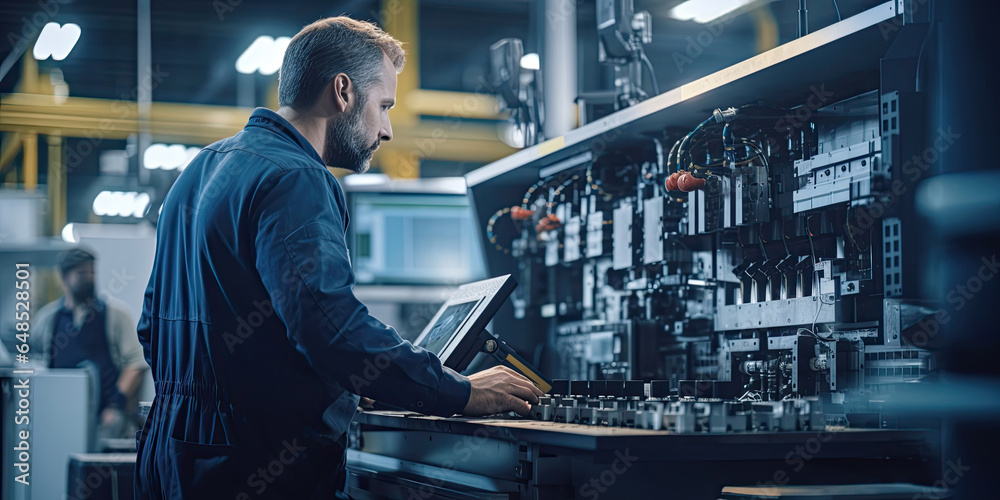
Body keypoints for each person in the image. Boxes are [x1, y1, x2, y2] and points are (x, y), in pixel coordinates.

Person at [134, 16, 541, 499]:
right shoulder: (295, 177)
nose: (387, 129)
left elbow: (152, 326)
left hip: (170, 452)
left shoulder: (199, 169)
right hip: (254, 465)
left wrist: (346, 380)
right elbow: (332, 331)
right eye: (384, 105)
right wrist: (463, 391)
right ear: (343, 92)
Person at [33, 248, 147, 438]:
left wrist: (115, 405)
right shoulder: (48, 318)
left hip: (105, 420)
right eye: (82, 273)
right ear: (64, 277)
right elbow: (37, 361)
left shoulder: (115, 315)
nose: (90, 278)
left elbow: (135, 363)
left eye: (92, 271)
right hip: (58, 417)